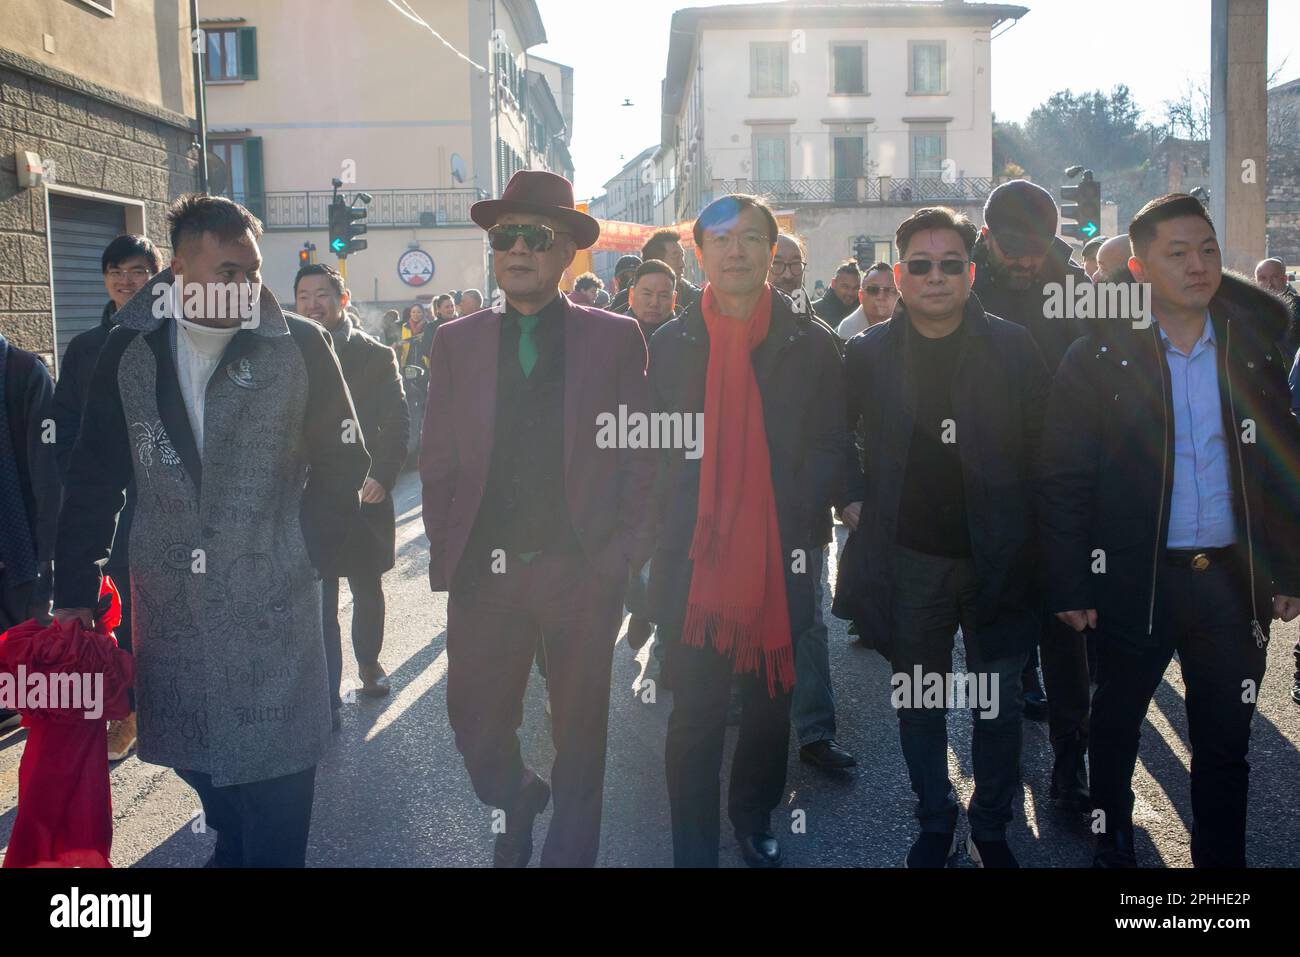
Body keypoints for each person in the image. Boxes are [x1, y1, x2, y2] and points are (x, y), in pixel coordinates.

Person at [52, 194, 370, 867]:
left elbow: (347, 457)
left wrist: (305, 548)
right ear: (180, 270)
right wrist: (75, 589)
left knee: (279, 796)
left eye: (252, 272)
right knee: (203, 766)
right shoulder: (128, 351)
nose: (246, 287)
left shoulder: (299, 345)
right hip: (170, 608)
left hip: (274, 606)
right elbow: (94, 476)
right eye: (228, 271)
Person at [1041, 194, 1300, 868]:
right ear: (1138, 266)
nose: (1198, 265)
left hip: (1230, 583)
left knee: (1225, 740)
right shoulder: (1097, 358)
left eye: (1208, 249)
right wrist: (1071, 579)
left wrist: (1289, 568)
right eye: (1178, 253)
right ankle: (1113, 843)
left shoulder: (1249, 352)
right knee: (1115, 726)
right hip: (1132, 577)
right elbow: (1064, 479)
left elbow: (1281, 465)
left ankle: (1223, 866)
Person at [420, 169, 655, 868]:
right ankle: (516, 794)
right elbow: (438, 458)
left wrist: (621, 556)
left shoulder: (614, 338)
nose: (516, 249)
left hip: (581, 571)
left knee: (580, 735)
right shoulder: (454, 341)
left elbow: (641, 456)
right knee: (475, 725)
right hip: (485, 572)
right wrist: (447, 540)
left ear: (563, 255)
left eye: (534, 236)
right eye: (503, 237)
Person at [840, 206, 1049, 868]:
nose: (936, 277)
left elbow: (1048, 452)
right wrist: (849, 495)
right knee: (920, 702)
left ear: (971, 271)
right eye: (921, 266)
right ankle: (936, 817)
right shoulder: (868, 353)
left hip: (1000, 558)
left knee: (1000, 707)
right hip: (909, 561)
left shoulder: (1014, 347)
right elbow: (833, 435)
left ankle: (991, 823)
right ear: (899, 277)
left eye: (950, 264)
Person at [647, 193, 844, 867]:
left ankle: (752, 813)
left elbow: (834, 443)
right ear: (698, 254)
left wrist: (792, 503)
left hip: (781, 552)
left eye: (751, 238)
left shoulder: (813, 343)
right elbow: (647, 450)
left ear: (771, 250)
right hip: (692, 558)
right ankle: (692, 845)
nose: (736, 250)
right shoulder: (668, 345)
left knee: (768, 706)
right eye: (721, 239)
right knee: (696, 714)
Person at [972, 178, 1092, 805]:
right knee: (993, 636)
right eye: (1012, 250)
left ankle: (1070, 770)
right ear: (986, 237)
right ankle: (993, 782)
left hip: (1063, 486)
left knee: (1069, 634)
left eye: (1036, 250)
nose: (1023, 262)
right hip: (986, 488)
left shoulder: (1076, 288)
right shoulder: (962, 277)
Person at [51, 233, 162, 760]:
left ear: (157, 276)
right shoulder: (85, 349)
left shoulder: (169, 338)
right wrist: (75, 475)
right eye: (116, 269)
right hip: (107, 500)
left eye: (138, 270)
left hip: (159, 498)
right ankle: (127, 707)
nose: (126, 279)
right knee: (114, 601)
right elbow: (64, 422)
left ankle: (153, 703)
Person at [295, 264, 409, 726]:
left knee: (366, 583)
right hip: (309, 493)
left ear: (342, 299)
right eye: (303, 295)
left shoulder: (376, 355)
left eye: (322, 294)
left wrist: (382, 475)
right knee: (318, 591)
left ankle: (369, 663)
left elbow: (397, 422)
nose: (313, 303)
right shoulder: (289, 350)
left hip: (364, 491)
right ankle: (326, 686)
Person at [0, 334, 57, 733]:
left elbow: (48, 474)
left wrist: (50, 553)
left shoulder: (23, 372)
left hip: (18, 544)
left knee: (27, 656)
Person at [642, 229, 702, 312]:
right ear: (656, 262)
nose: (682, 265)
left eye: (682, 257)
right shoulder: (625, 302)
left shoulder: (696, 298)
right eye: (675, 257)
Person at [837, 261, 898, 340]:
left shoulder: (911, 327)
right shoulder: (847, 330)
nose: (881, 297)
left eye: (889, 290)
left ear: (899, 295)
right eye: (873, 290)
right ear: (861, 296)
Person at [1254, 257, 1300, 357]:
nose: (1269, 284)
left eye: (1274, 277)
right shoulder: (1247, 309)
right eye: (1262, 278)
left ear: (1284, 279)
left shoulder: (1298, 306)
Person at [812, 261, 861, 327]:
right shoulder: (814, 311)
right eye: (845, 287)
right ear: (833, 283)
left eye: (855, 288)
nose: (850, 293)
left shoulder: (865, 312)